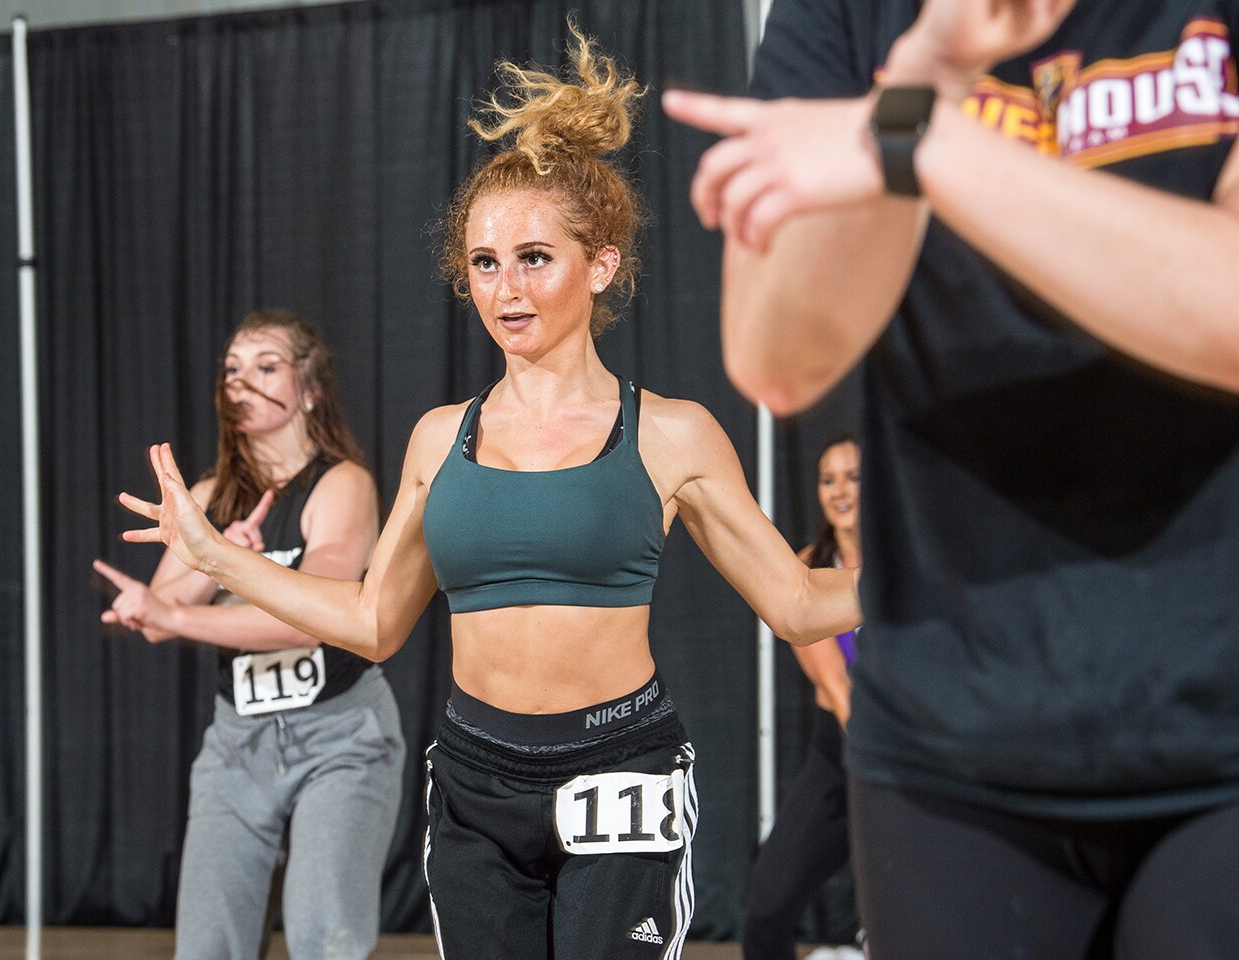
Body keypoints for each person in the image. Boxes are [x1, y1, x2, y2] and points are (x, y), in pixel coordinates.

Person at [118, 25, 863, 960]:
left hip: (617, 765)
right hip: (474, 782)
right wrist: (216, 555)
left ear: (601, 266)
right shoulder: (442, 437)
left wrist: (932, 576)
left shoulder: (672, 433)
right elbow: (373, 622)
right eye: (482, 261)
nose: (504, 288)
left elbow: (796, 605)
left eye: (534, 258)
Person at [664, 0, 1239, 956]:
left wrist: (923, 139)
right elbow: (778, 355)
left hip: (1218, 723)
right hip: (949, 737)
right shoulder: (857, 18)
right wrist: (925, 72)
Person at [94, 309, 405, 960]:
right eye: (232, 370)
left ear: (309, 389)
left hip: (340, 740)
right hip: (238, 744)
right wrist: (202, 569)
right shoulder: (208, 494)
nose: (242, 382)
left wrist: (189, 600)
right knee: (207, 948)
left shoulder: (342, 483)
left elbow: (308, 625)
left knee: (326, 939)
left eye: (266, 367)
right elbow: (161, 606)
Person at [743, 437, 863, 960]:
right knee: (767, 907)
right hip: (843, 751)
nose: (839, 490)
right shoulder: (809, 569)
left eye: (853, 476)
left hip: (915, 751)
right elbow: (837, 687)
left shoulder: (909, 554)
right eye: (827, 478)